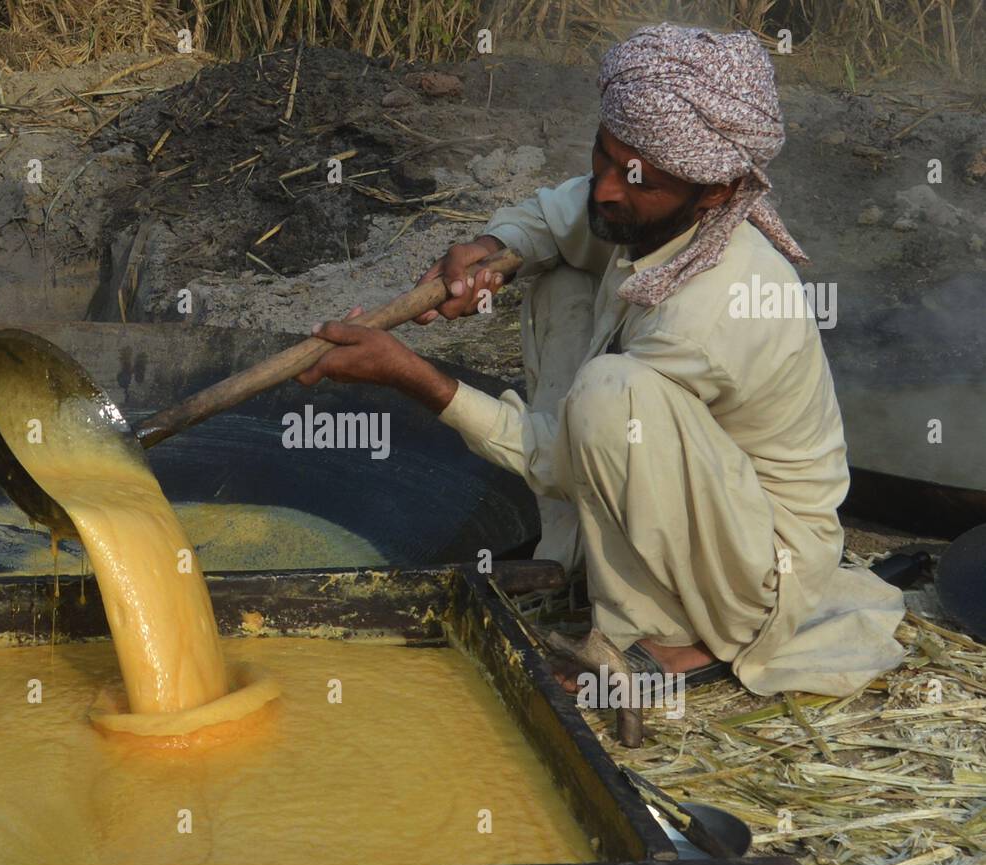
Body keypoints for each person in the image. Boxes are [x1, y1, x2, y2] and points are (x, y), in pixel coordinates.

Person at [295, 22, 906, 696]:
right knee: (558, 276)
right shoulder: (650, 210)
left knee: (610, 394)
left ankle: (676, 635)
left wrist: (411, 375)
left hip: (760, 568)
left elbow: (557, 459)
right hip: (699, 500)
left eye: (638, 177)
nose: (609, 188)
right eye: (605, 156)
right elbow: (560, 216)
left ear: (718, 192)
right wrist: (491, 248)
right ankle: (576, 560)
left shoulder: (719, 307)